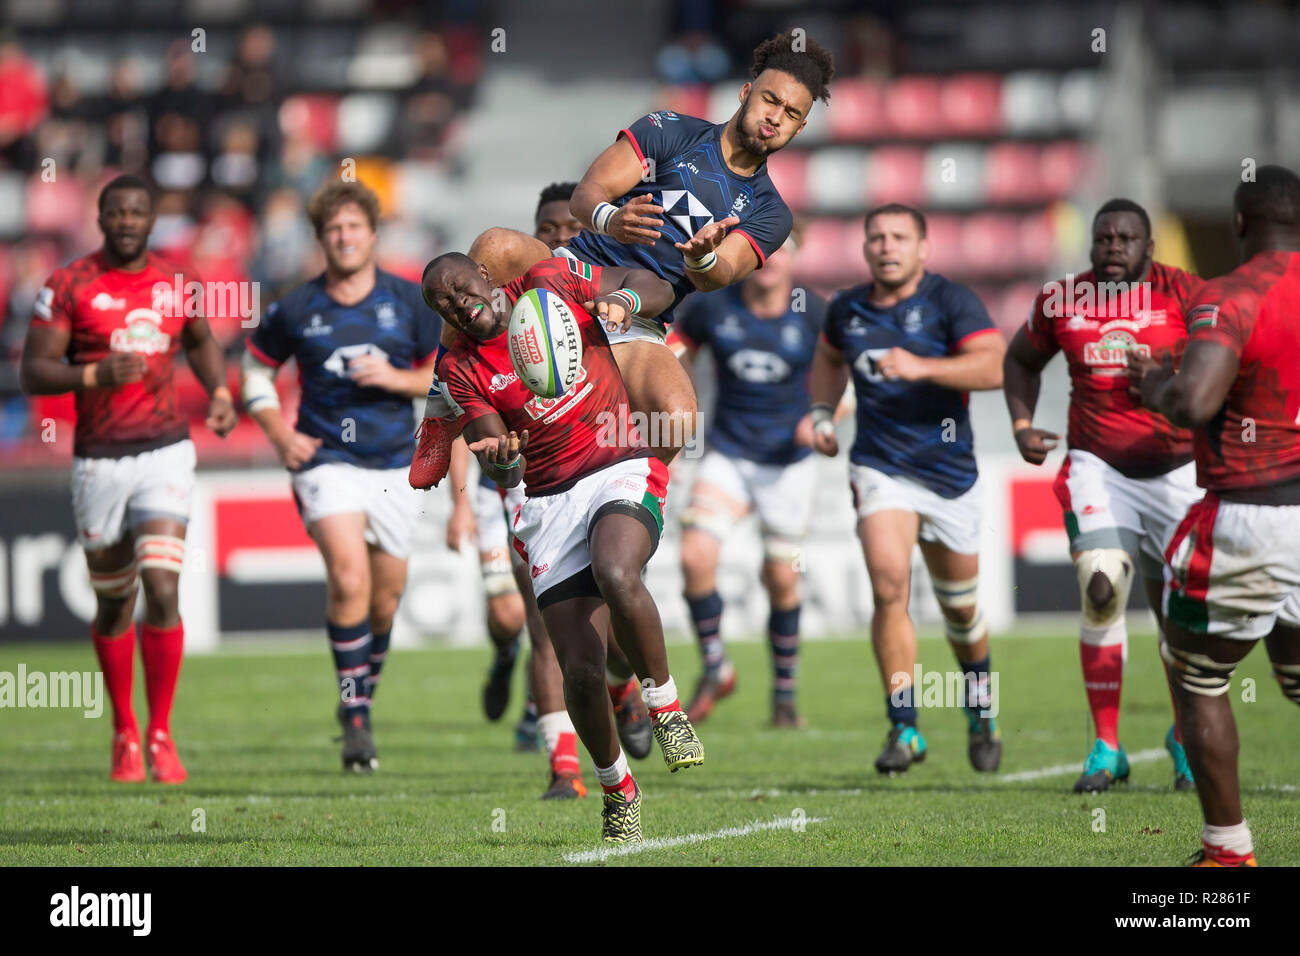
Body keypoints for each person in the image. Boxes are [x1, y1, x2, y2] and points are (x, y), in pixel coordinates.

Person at [411, 29, 835, 482]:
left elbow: (720, 273)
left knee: (678, 417)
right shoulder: (671, 129)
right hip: (570, 273)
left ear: (802, 126)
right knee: (495, 246)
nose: (776, 117)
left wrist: (702, 259)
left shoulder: (772, 213)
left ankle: (624, 498)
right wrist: (610, 219)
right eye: (771, 100)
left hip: (638, 318)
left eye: (792, 113)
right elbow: (585, 195)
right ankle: (441, 408)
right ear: (746, 91)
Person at [423, 251, 704, 844]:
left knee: (617, 571)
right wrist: (506, 458)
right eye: (442, 303)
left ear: (483, 272)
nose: (456, 301)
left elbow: (652, 284)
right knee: (579, 669)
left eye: (457, 285)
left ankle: (667, 707)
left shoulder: (550, 280)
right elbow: (498, 458)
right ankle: (617, 789)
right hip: (547, 498)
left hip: (618, 462)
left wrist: (623, 301)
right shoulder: (459, 370)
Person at [19, 174, 238, 784]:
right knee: (115, 602)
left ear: (150, 218)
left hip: (165, 451)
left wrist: (219, 390)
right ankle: (124, 730)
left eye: (137, 212)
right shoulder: (68, 284)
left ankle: (162, 733)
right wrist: (90, 376)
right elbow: (34, 372)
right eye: (115, 212)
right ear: (100, 218)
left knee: (163, 589)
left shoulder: (178, 281)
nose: (126, 222)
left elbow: (201, 341)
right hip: (98, 460)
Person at [443, 182, 652, 798]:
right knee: (540, 624)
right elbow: (451, 417)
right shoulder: (466, 332)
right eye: (547, 229)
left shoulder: (581, 289)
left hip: (605, 465)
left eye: (567, 229)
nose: (559, 238)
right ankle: (564, 766)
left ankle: (626, 689)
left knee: (613, 606)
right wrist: (466, 491)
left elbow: (654, 368)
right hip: (529, 484)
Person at [1129, 165, 1300, 867]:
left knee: (1197, 675)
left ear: (1238, 223)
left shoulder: (1231, 294)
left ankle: (1227, 851)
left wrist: (1155, 384)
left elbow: (1195, 401)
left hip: (1252, 511)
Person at [1005, 199, 1205, 792]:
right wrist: (1020, 426)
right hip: (1099, 464)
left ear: (1150, 246)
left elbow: (1227, 365)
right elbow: (1020, 360)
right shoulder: (1062, 299)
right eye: (1103, 238)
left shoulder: (1188, 294)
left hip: (1179, 468)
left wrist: (1169, 384)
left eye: (1127, 238)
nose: (1114, 247)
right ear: (1091, 245)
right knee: (1102, 584)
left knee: (1186, 614)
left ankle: (1186, 734)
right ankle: (1107, 745)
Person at [241, 181, 438, 773]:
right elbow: (254, 371)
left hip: (396, 463)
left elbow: (446, 378)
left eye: (354, 227)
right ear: (321, 239)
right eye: (333, 229)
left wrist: (394, 379)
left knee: (384, 600)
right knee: (349, 576)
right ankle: (355, 717)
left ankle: (360, 697)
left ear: (373, 235)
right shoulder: (295, 307)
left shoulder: (410, 301)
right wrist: (278, 432)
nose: (344, 237)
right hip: (326, 461)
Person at [809, 203, 1006, 774]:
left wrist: (924, 368)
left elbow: (993, 367)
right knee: (890, 585)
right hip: (880, 467)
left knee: (961, 613)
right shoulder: (846, 308)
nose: (886, 246)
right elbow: (827, 357)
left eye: (899, 237)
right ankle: (905, 727)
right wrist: (823, 413)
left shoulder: (952, 302)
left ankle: (980, 707)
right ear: (865, 248)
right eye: (876, 238)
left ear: (923, 248)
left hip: (949, 478)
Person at [674, 233, 830, 726]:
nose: (769, 260)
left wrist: (825, 418)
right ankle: (717, 667)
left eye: (781, 249)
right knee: (694, 556)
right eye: (760, 250)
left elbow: (845, 375)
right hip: (730, 454)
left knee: (782, 578)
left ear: (797, 255)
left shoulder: (815, 312)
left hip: (789, 462)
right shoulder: (713, 305)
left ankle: (784, 697)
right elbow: (676, 354)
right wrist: (672, 412)